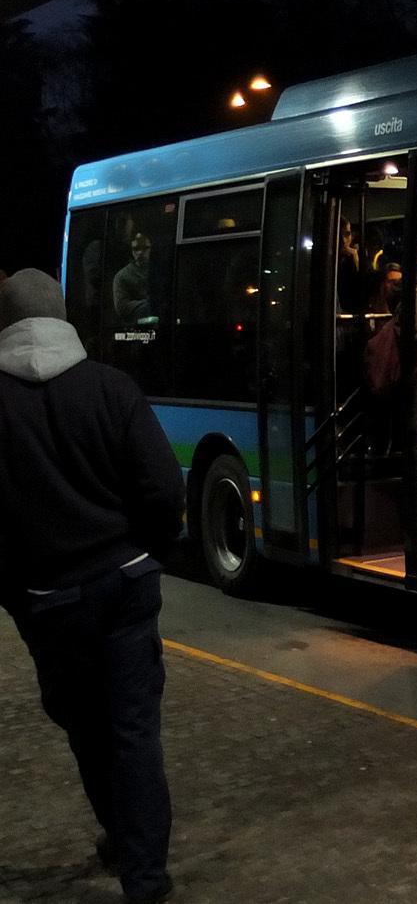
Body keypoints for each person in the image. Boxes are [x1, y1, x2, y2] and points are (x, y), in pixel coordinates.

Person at [0, 269, 184, 904]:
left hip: (49, 601)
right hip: (125, 587)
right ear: (62, 316)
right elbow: (163, 489)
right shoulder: (111, 387)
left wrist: (17, 594)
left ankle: (119, 834)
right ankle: (145, 876)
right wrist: (146, 554)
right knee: (135, 732)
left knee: (85, 725)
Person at [112, 232, 153, 324]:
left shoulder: (161, 271)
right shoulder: (122, 276)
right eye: (136, 249)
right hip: (136, 325)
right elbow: (121, 307)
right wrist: (148, 304)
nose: (140, 252)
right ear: (131, 250)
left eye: (145, 248)